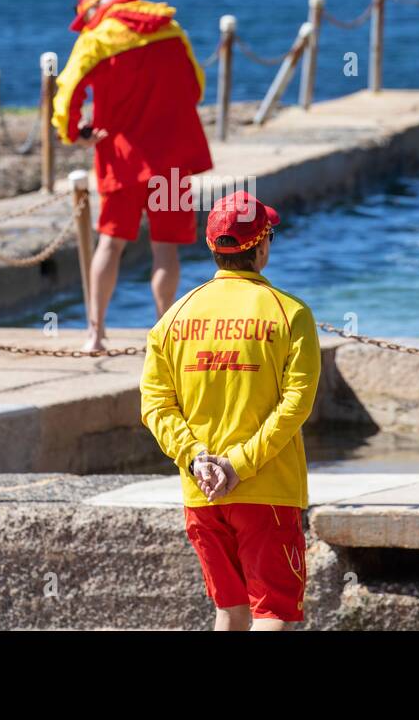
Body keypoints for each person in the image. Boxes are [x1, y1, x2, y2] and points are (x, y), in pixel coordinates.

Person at [139, 191, 321, 631]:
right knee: (272, 611)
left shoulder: (173, 319)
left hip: (201, 491)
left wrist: (196, 457)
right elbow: (295, 405)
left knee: (230, 611)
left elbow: (156, 405)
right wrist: (239, 464)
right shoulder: (291, 314)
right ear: (261, 247)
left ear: (211, 247)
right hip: (266, 489)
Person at [52, 0, 213, 351]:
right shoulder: (169, 27)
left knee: (110, 243)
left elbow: (67, 92)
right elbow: (196, 85)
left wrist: (74, 132)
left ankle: (95, 334)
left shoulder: (96, 38)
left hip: (122, 158)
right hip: (172, 156)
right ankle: (164, 333)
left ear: (92, 9)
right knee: (166, 248)